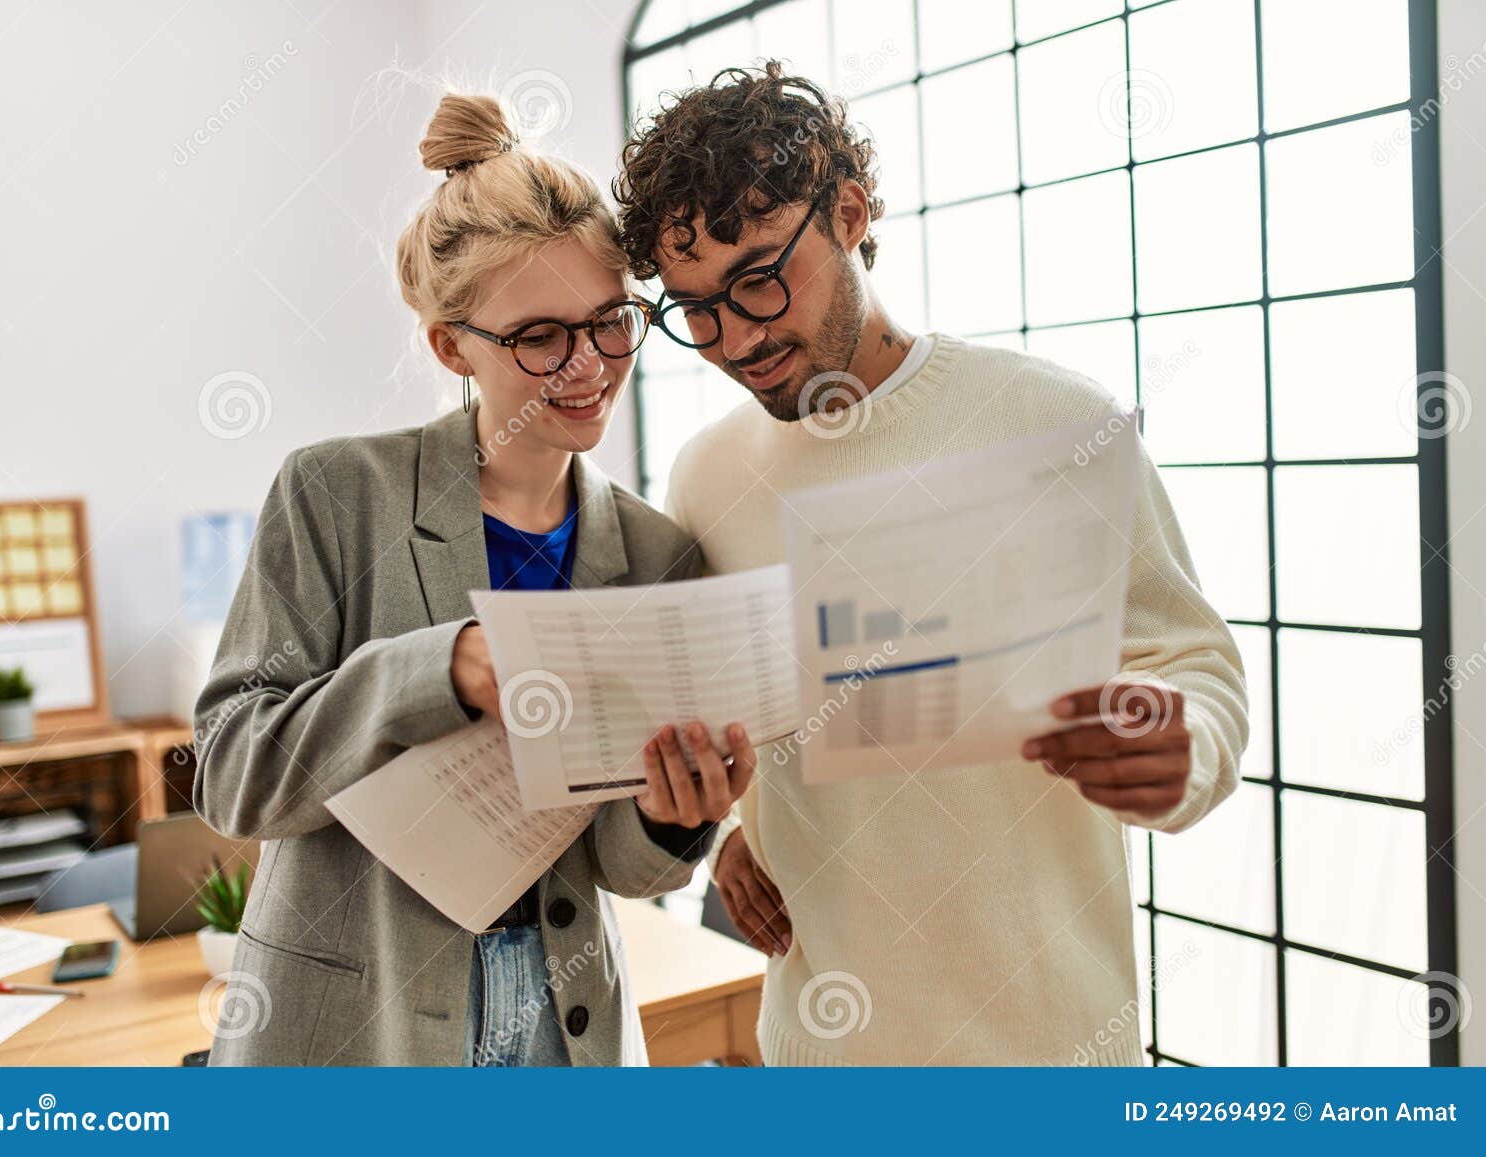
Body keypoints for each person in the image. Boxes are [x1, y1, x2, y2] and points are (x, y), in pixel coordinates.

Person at [613, 62, 1248, 1066]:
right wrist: (732, 833)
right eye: (693, 310)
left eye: (758, 279)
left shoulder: (1055, 422)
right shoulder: (706, 480)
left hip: (1051, 1053)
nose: (734, 338)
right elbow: (729, 708)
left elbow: (1196, 668)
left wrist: (1184, 746)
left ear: (849, 211)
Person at [192, 92, 757, 1067]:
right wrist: (439, 668)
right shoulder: (336, 494)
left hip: (562, 1015)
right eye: (540, 335)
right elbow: (233, 774)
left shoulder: (655, 553)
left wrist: (679, 808)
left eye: (610, 321)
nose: (587, 366)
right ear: (452, 345)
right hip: (351, 1025)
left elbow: (619, 863)